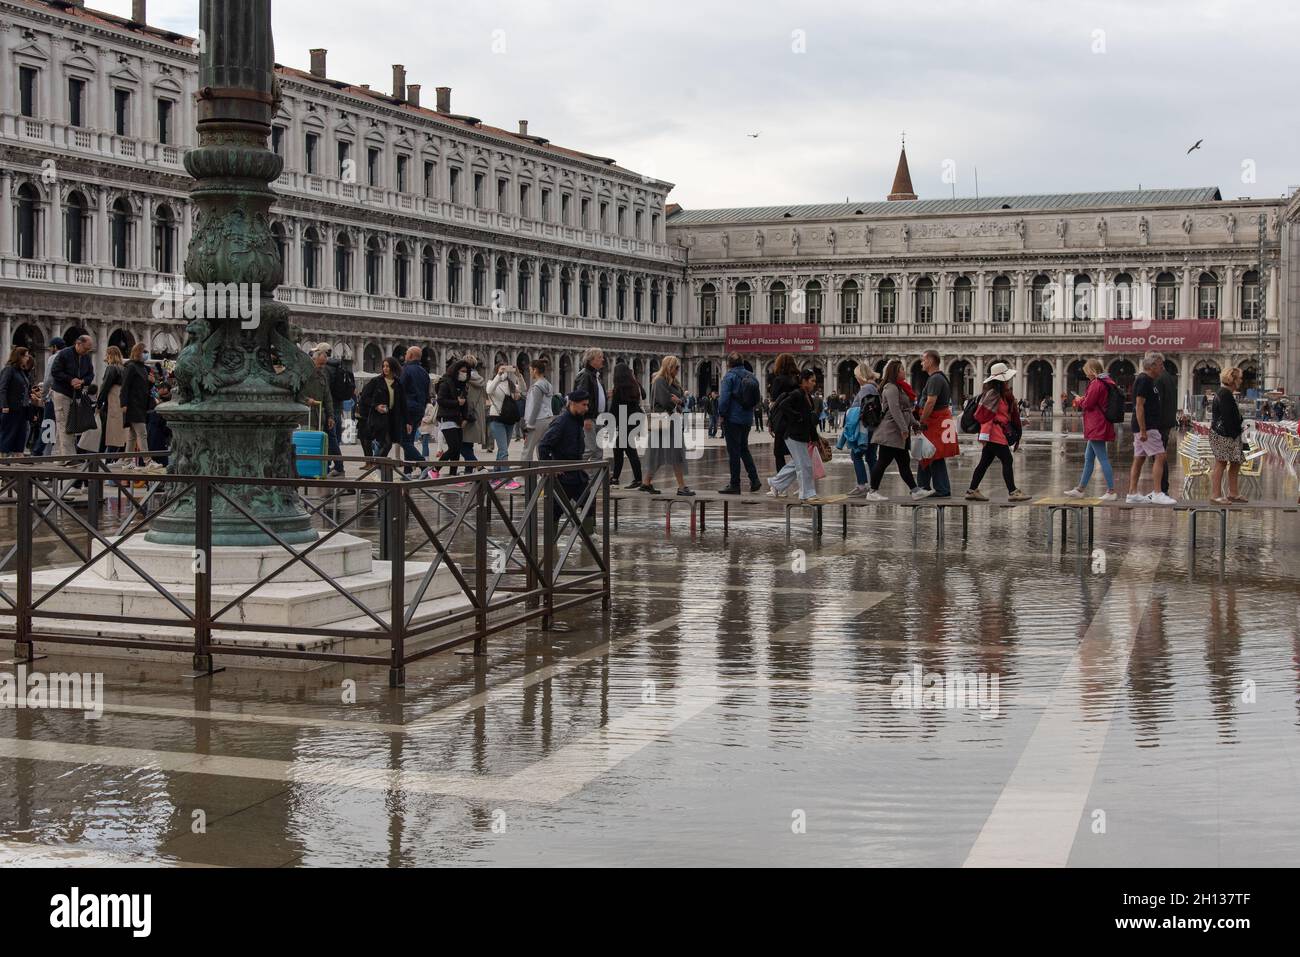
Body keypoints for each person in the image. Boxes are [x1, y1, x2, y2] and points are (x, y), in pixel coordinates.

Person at [965, 362, 1031, 502]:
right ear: (1001, 380)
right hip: (993, 434)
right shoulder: (993, 394)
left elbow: (1002, 414)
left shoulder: (999, 394)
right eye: (1006, 379)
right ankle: (1013, 492)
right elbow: (983, 416)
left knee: (984, 462)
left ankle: (972, 490)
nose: (1008, 381)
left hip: (995, 433)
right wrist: (984, 435)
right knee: (1007, 459)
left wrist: (1021, 421)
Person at [1064, 358, 1119, 501]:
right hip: (1099, 423)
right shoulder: (1105, 381)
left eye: (1087, 372)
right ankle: (1080, 489)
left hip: (1096, 425)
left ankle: (1111, 491)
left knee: (1102, 458)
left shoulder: (1096, 383)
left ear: (1092, 370)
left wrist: (1078, 400)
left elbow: (1088, 403)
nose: (1086, 375)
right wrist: (1084, 399)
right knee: (1089, 458)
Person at [865, 360, 921, 501]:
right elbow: (895, 410)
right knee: (883, 461)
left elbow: (905, 411)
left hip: (897, 432)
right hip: (890, 431)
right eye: (902, 369)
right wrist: (904, 429)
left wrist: (915, 424)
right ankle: (872, 491)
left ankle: (915, 490)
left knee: (904, 462)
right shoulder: (891, 388)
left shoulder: (899, 387)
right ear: (895, 372)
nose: (904, 371)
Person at [1126, 352, 1177, 505]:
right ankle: (1157, 492)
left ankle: (1132, 493)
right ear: (1152, 366)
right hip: (1147, 427)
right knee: (1160, 457)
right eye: (1160, 365)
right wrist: (1143, 430)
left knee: (1139, 458)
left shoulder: (1149, 380)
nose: (1162, 368)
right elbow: (1139, 406)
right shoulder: (1144, 381)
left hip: (1145, 426)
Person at [766, 368, 824, 502]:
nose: (814, 383)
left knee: (797, 464)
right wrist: (798, 418)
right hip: (793, 434)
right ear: (804, 381)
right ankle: (807, 493)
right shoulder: (798, 393)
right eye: (812, 381)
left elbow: (809, 419)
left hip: (800, 435)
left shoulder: (806, 395)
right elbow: (783, 405)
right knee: (804, 465)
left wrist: (814, 438)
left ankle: (776, 484)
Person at [639, 355, 693, 496]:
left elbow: (681, 398)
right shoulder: (660, 381)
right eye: (676, 367)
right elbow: (665, 401)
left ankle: (646, 483)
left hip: (670, 420)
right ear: (670, 367)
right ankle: (681, 487)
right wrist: (676, 401)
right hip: (663, 419)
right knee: (664, 452)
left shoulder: (673, 381)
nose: (678, 370)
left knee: (673, 452)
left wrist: (679, 401)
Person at [537, 389, 593, 519]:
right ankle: (551, 538)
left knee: (589, 504)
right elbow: (544, 445)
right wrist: (550, 466)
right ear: (573, 403)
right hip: (563, 477)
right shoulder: (561, 422)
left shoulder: (577, 419)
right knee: (555, 511)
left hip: (577, 473)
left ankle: (590, 536)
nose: (586, 408)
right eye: (583, 405)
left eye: (587, 404)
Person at [915, 350, 958, 498]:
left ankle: (941, 489)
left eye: (923, 360)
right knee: (925, 453)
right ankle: (923, 485)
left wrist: (922, 421)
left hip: (934, 421)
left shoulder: (935, 379)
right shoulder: (938, 378)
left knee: (933, 454)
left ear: (931, 361)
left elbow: (930, 401)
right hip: (936, 420)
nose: (921, 363)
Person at [717, 353, 762, 494]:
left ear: (729, 364)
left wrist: (722, 415)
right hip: (747, 418)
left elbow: (724, 399)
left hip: (733, 419)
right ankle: (754, 480)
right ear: (742, 362)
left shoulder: (729, 377)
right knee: (744, 449)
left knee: (734, 452)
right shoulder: (751, 376)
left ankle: (735, 484)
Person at [49, 334, 95, 457]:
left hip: (75, 394)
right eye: (85, 348)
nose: (87, 351)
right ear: (78, 343)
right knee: (65, 424)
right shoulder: (64, 354)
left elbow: (91, 375)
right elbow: (55, 371)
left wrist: (82, 381)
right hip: (62, 392)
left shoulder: (86, 357)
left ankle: (59, 456)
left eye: (89, 349)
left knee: (65, 425)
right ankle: (69, 457)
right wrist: (71, 380)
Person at [356, 356, 410, 460]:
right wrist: (376, 406)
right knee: (387, 444)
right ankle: (377, 464)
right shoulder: (376, 381)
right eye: (384, 366)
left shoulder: (398, 384)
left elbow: (403, 404)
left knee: (387, 443)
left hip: (391, 418)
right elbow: (364, 397)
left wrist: (408, 421)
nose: (385, 368)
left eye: (388, 366)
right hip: (377, 417)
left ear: (393, 368)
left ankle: (375, 463)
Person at [1209, 367, 1247, 505]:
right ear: (1232, 379)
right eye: (1239, 378)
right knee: (1221, 462)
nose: (1241, 381)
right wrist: (1235, 432)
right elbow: (1227, 417)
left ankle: (1233, 492)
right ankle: (1216, 495)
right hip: (1223, 435)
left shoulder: (1226, 393)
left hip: (1229, 434)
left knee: (1236, 463)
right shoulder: (1225, 394)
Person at [432, 358, 473, 477]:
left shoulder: (463, 385)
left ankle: (453, 475)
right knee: (454, 447)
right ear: (456, 370)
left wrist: (465, 418)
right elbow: (440, 400)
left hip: (458, 419)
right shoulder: (445, 382)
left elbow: (465, 403)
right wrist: (456, 402)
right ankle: (435, 469)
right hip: (447, 418)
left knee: (457, 449)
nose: (464, 373)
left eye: (466, 371)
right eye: (462, 371)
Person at [486, 362, 524, 487]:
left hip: (509, 419)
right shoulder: (492, 382)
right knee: (503, 450)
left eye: (506, 369)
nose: (505, 372)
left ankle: (495, 477)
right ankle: (507, 480)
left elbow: (523, 390)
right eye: (502, 369)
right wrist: (499, 375)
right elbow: (489, 390)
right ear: (496, 370)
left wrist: (519, 376)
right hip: (496, 418)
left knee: (503, 450)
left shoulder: (510, 384)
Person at [843, 364, 879, 496]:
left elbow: (865, 409)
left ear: (861, 376)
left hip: (865, 427)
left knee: (856, 455)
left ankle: (862, 485)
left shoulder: (866, 388)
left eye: (856, 375)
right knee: (871, 457)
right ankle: (874, 487)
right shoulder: (874, 387)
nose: (856, 378)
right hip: (873, 427)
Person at [608, 361, 644, 489]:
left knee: (628, 450)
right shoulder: (634, 384)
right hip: (636, 418)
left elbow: (614, 407)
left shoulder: (619, 388)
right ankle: (616, 478)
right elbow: (644, 395)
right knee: (620, 448)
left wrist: (607, 422)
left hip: (626, 420)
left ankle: (637, 479)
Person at [396, 346, 429, 475]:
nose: (404, 355)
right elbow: (427, 394)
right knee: (409, 440)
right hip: (419, 409)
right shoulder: (424, 372)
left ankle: (423, 465)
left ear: (409, 356)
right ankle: (408, 471)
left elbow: (400, 391)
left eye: (406, 353)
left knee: (403, 440)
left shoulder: (406, 370)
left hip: (407, 409)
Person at [324, 346, 355, 476]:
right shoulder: (339, 367)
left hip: (328, 408)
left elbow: (325, 391)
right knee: (333, 438)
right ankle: (330, 465)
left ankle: (337, 466)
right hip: (338, 407)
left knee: (329, 437)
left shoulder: (326, 369)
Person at [0, 347, 36, 455]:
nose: (28, 358)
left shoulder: (22, 371)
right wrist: (4, 405)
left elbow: (25, 388)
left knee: (21, 433)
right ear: (19, 356)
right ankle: (3, 455)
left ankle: (18, 455)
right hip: (11, 407)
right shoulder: (9, 369)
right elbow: (2, 388)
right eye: (26, 355)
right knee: (9, 432)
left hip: (23, 408)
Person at [767, 353, 800, 470]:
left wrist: (770, 423)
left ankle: (781, 483)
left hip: (782, 421)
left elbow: (774, 404)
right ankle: (800, 479)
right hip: (796, 420)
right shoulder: (798, 380)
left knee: (779, 453)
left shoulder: (778, 380)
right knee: (796, 454)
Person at [31, 337, 63, 457]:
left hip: (53, 396)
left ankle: (39, 451)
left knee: (48, 423)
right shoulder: (71, 357)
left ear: (54, 347)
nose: (50, 349)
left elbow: (48, 378)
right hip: (67, 396)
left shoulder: (54, 358)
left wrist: (44, 396)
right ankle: (57, 452)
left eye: (51, 347)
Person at [573, 347, 607, 462]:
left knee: (598, 451)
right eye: (600, 357)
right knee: (590, 449)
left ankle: (594, 480)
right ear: (591, 360)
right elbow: (581, 396)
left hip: (598, 417)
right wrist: (585, 417)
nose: (603, 360)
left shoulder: (595, 375)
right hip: (590, 418)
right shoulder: (585, 375)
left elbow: (594, 395)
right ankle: (570, 470)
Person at [121, 343, 152, 465]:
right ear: (138, 352)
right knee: (142, 433)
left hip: (141, 405)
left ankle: (127, 461)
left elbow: (143, 388)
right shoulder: (131, 367)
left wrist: (151, 383)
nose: (146, 354)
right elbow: (125, 386)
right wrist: (123, 403)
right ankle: (147, 461)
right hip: (133, 405)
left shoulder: (143, 368)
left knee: (132, 435)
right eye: (144, 351)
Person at [96, 345, 128, 455]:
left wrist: (99, 403)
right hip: (121, 402)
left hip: (112, 403)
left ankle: (100, 456)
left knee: (107, 431)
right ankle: (112, 457)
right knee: (118, 431)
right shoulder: (124, 369)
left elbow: (105, 387)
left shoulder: (111, 368)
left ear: (110, 355)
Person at [521, 359, 555, 462]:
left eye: (530, 369)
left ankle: (524, 476)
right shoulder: (548, 384)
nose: (530, 372)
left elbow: (536, 406)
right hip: (548, 418)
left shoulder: (537, 386)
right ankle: (545, 475)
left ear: (535, 370)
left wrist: (530, 424)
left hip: (537, 420)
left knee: (527, 449)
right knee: (542, 449)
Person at [459, 353, 488, 466]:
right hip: (476, 416)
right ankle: (469, 471)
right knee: (468, 445)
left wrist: (464, 417)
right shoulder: (479, 379)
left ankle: (479, 467)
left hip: (468, 416)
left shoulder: (466, 381)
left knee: (461, 446)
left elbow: (469, 400)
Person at [1155, 359, 1178, 496]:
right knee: (1161, 455)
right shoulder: (1169, 377)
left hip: (1160, 423)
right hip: (1167, 421)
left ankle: (1162, 489)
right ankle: (1163, 488)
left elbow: (1158, 403)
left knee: (1158, 457)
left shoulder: (1159, 379)